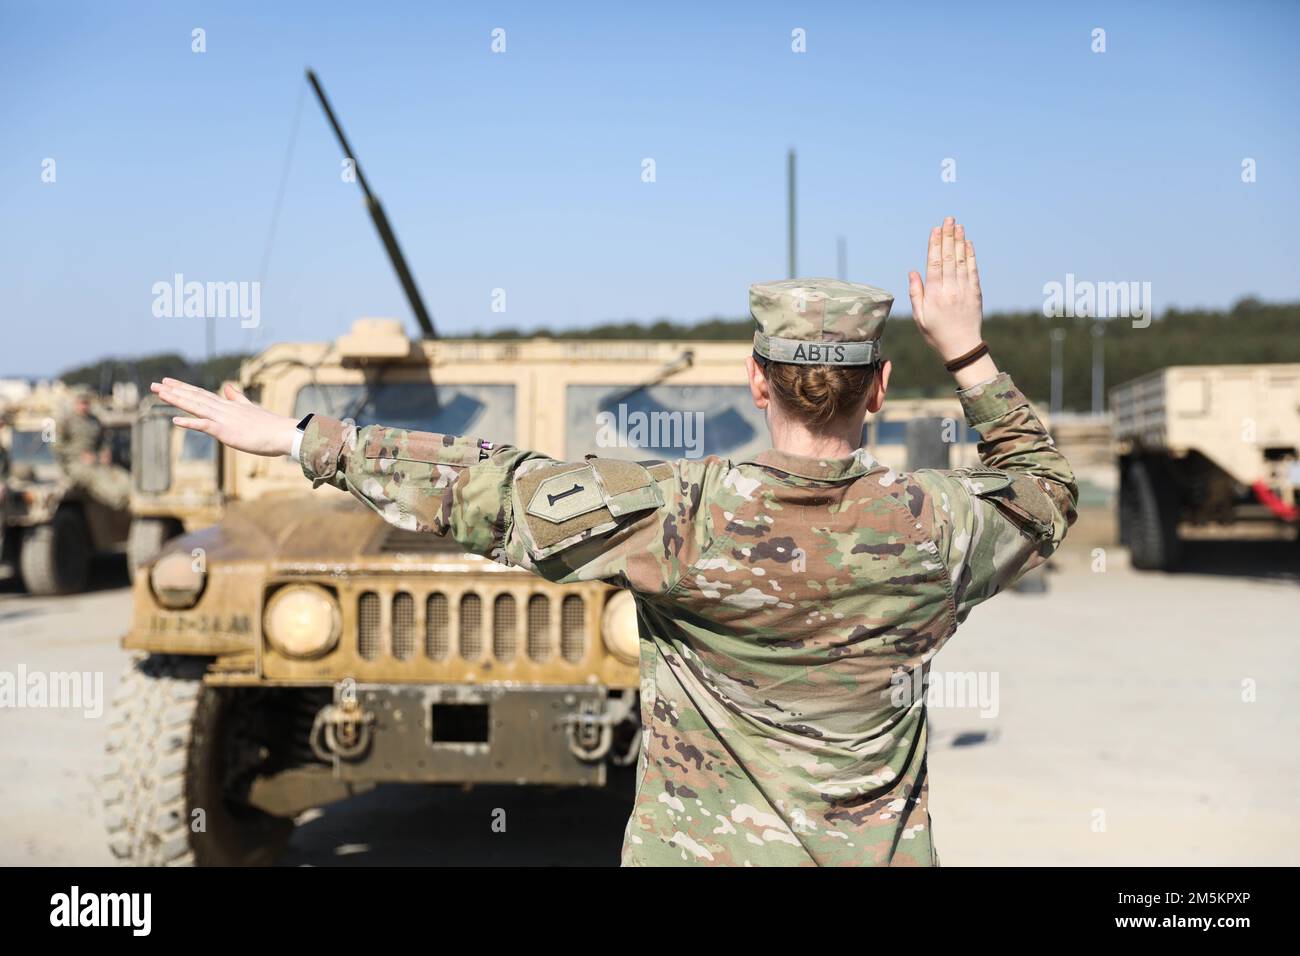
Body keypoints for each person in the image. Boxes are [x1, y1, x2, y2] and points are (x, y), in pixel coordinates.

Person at [153, 217, 1077, 866]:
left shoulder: (680, 514)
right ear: (879, 388)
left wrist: (307, 440)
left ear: (757, 382)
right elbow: (1045, 491)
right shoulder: (938, 526)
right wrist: (966, 351)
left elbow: (497, 490)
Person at [55, 390, 130, 510]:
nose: (84, 406)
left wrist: (105, 452)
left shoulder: (95, 421)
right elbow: (57, 445)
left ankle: (129, 495)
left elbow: (104, 440)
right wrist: (79, 455)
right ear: (76, 403)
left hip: (95, 459)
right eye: (81, 403)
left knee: (119, 475)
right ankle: (119, 500)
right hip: (74, 463)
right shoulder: (67, 421)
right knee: (95, 477)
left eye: (86, 403)